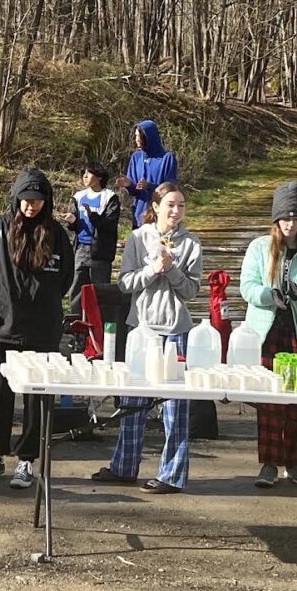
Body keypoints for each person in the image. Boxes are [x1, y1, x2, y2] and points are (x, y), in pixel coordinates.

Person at [0, 167, 76, 490]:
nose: (32, 206)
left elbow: (65, 280)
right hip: (3, 330)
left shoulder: (57, 235)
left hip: (43, 331)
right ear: (16, 198)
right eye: (26, 199)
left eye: (38, 200)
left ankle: (27, 460)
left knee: (37, 400)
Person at [95, 181, 202, 493]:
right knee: (133, 404)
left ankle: (171, 475)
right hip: (141, 330)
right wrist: (154, 269)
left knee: (175, 409)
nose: (176, 211)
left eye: (181, 205)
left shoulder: (191, 244)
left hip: (176, 332)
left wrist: (172, 271)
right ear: (155, 207)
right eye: (170, 204)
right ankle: (124, 467)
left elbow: (191, 291)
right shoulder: (138, 239)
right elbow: (126, 283)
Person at [240, 182, 297, 488]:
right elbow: (247, 287)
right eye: (285, 217)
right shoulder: (259, 247)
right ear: (276, 219)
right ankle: (268, 463)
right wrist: (270, 294)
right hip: (267, 332)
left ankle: (295, 463)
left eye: (296, 217)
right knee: (268, 400)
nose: (291, 223)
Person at [68, 160, 124, 356]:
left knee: (99, 293)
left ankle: (99, 338)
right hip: (80, 249)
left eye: (89, 173)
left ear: (99, 177)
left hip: (100, 252)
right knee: (76, 291)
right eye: (83, 173)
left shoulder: (110, 198)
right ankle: (76, 336)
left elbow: (110, 225)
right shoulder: (78, 196)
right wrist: (72, 222)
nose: (84, 176)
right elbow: (74, 224)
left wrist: (94, 217)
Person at [120, 120, 178, 228]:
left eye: (139, 136)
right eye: (135, 136)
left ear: (149, 137)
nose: (136, 139)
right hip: (139, 213)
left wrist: (149, 186)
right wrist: (128, 185)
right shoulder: (136, 157)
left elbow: (170, 189)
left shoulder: (167, 158)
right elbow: (135, 191)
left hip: (160, 214)